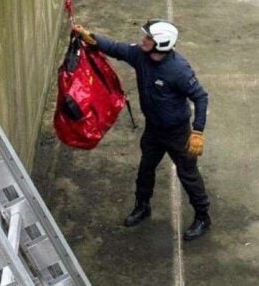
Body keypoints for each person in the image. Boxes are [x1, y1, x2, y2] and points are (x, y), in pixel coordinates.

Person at [73, 19, 211, 241]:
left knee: (188, 175)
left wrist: (198, 131)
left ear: (162, 43)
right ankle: (142, 206)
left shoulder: (179, 70)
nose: (143, 40)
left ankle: (203, 217)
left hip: (177, 133)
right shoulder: (140, 55)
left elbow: (201, 96)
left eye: (148, 38)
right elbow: (117, 48)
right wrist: (90, 37)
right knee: (146, 169)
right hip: (154, 129)